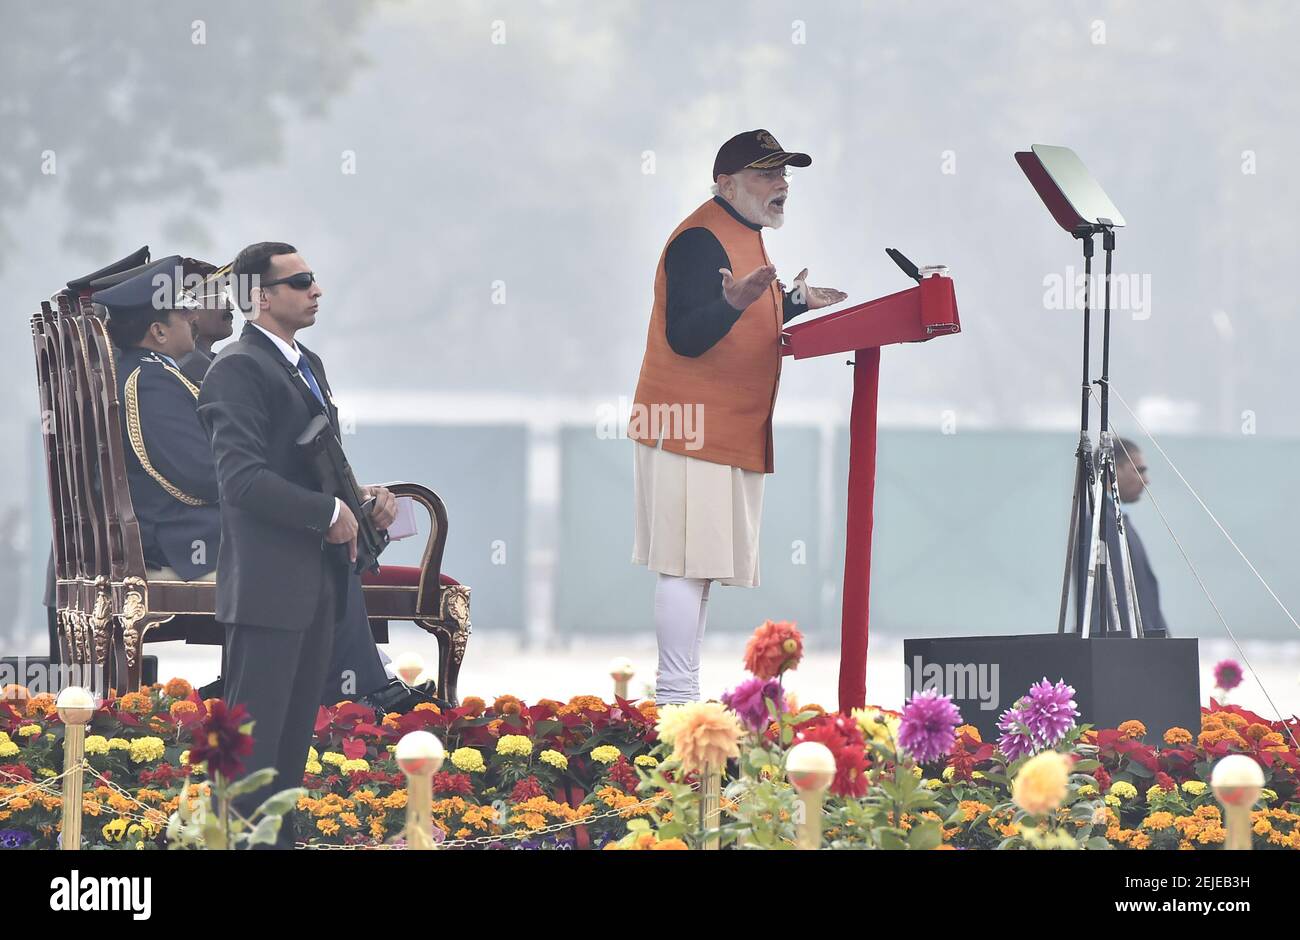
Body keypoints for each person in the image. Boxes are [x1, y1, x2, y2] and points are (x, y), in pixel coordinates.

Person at [628, 129, 847, 703]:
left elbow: (734, 312)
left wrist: (793, 304)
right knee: (682, 565)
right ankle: (675, 701)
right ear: (725, 183)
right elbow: (687, 333)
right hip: (688, 425)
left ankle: (679, 695)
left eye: (785, 175)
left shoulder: (743, 234)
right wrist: (736, 301)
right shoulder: (701, 238)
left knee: (695, 566)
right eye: (766, 174)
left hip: (717, 427)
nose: (781, 186)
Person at [196, 242, 398, 847]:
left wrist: (362, 499)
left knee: (288, 753)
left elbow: (313, 465)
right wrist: (326, 511)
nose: (316, 290)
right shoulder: (237, 367)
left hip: (316, 582)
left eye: (314, 279)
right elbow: (243, 479)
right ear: (260, 296)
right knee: (249, 752)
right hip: (268, 587)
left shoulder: (304, 360)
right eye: (301, 281)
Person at [1100, 437, 1171, 637]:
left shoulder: (1117, 520)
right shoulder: (1101, 523)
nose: (1146, 480)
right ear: (1113, 469)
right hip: (1124, 650)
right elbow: (1103, 599)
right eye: (1138, 470)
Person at [177, 263, 236, 386]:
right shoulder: (192, 367)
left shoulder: (213, 363)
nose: (231, 307)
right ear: (186, 307)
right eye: (219, 298)